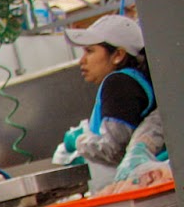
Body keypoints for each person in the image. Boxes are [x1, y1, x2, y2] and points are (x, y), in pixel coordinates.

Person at [58, 14, 155, 172]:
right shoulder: (137, 80)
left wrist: (77, 141)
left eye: (90, 51)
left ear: (118, 55)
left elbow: (114, 150)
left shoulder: (119, 84)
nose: (82, 60)